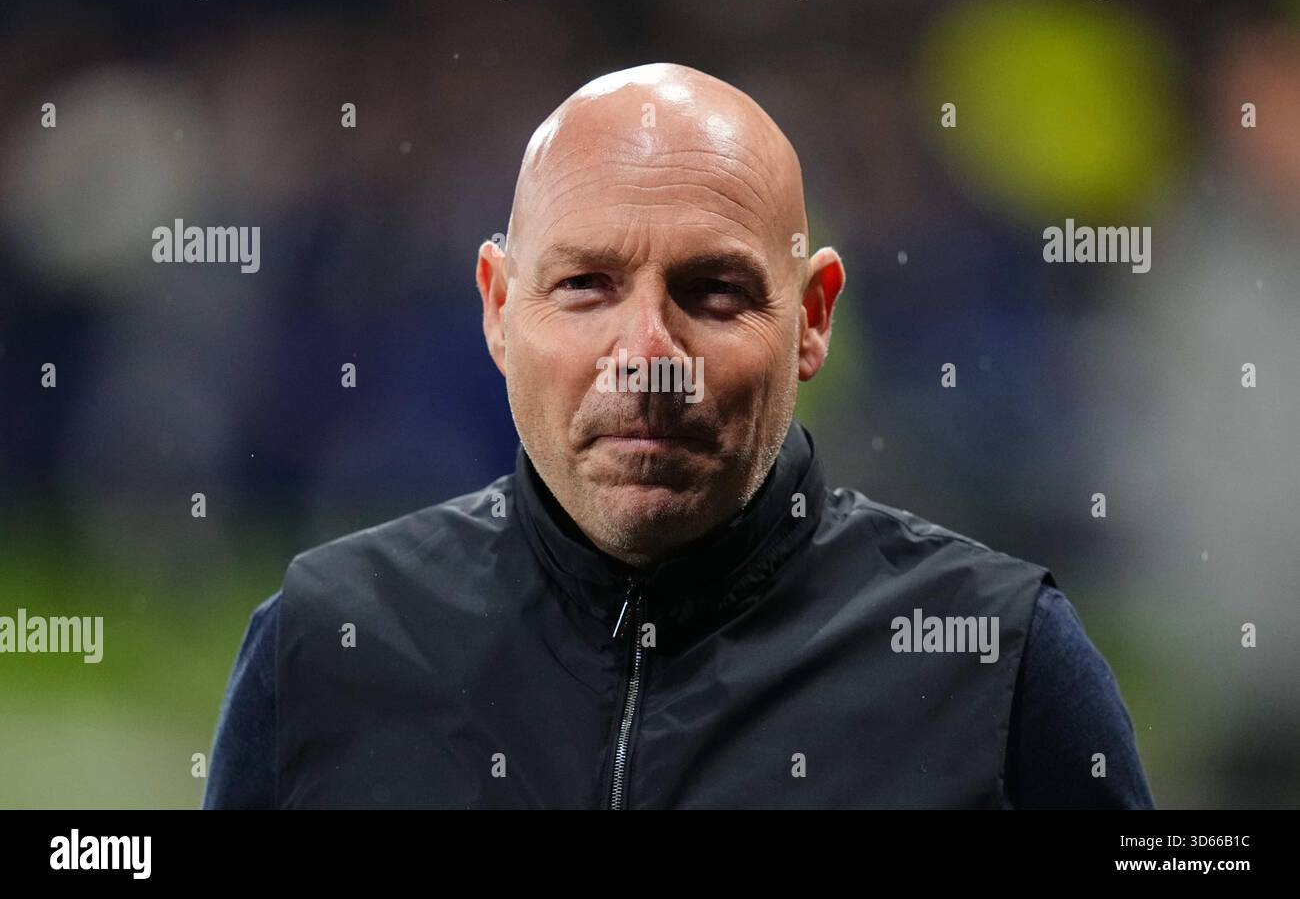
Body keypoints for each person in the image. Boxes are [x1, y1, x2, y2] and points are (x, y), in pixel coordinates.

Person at [203, 63, 1154, 809]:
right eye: (585, 287)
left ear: (813, 318)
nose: (650, 359)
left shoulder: (998, 659)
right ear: (498, 308)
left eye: (713, 291)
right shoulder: (325, 644)